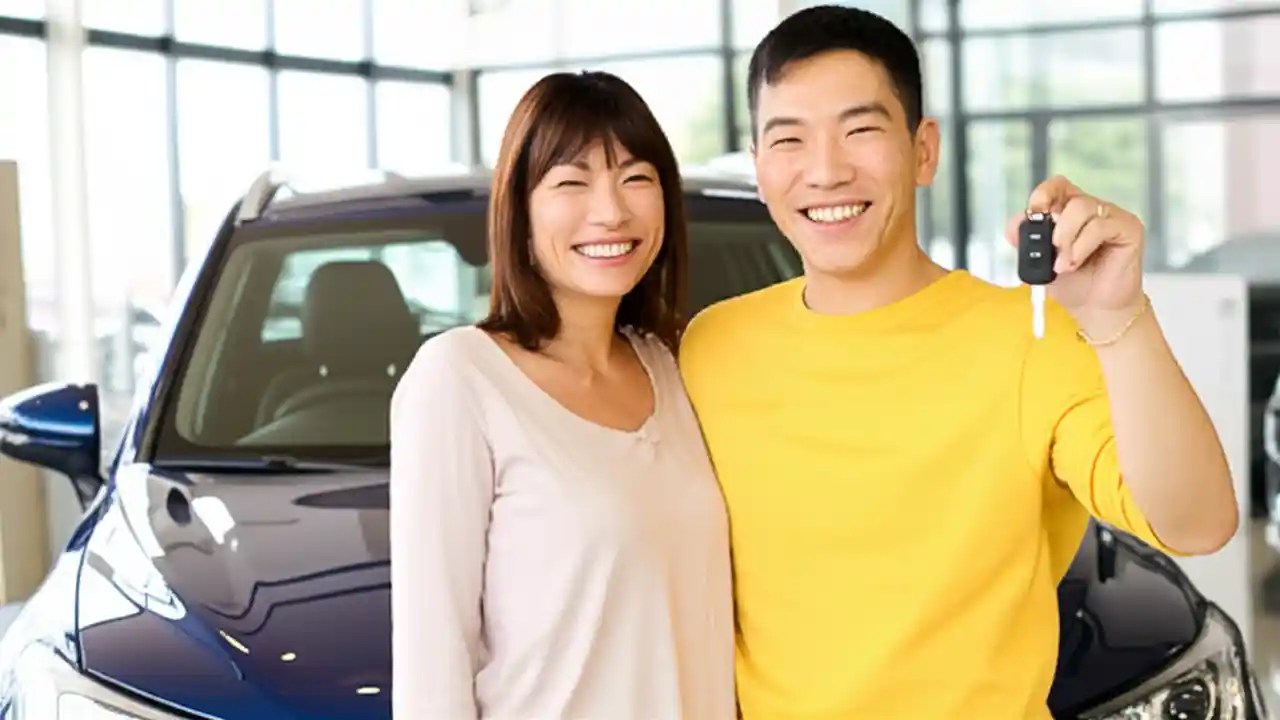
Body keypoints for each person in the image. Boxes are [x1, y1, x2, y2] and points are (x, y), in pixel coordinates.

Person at [677, 6, 1239, 719]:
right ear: (758, 167)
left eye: (860, 129)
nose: (825, 170)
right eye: (789, 138)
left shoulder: (1029, 340)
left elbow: (1198, 523)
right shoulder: (711, 347)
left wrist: (1117, 320)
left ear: (924, 151)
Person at [388, 70, 735, 719]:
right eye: (571, 182)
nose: (611, 211)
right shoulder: (459, 378)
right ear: (519, 209)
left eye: (635, 178)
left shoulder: (676, 367)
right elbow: (433, 667)